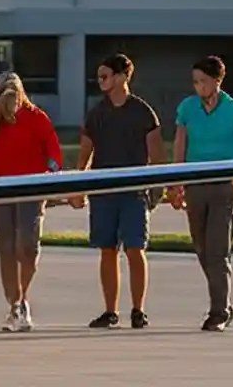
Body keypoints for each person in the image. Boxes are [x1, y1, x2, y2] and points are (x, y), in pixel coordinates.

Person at [70, 53, 164, 330]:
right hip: (103, 191)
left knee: (135, 248)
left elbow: (156, 155)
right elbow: (85, 152)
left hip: (134, 192)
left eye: (106, 75)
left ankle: (138, 310)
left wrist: (159, 188)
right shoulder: (97, 113)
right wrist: (79, 187)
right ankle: (110, 311)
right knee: (107, 249)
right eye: (99, 76)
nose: (101, 81)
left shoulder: (143, 112)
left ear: (123, 77)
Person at [167, 55, 233, 332]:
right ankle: (226, 303)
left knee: (218, 250)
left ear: (217, 81)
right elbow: (180, 148)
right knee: (202, 248)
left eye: (203, 82)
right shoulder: (187, 108)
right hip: (196, 184)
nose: (198, 87)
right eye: (195, 82)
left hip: (223, 188)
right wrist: (175, 184)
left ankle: (217, 312)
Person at [0, 71, 62, 333]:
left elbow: (52, 149)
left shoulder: (35, 117)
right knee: (7, 245)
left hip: (30, 189)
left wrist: (52, 171)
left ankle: (23, 297)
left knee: (28, 246)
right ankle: (15, 304)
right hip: (0, 188)